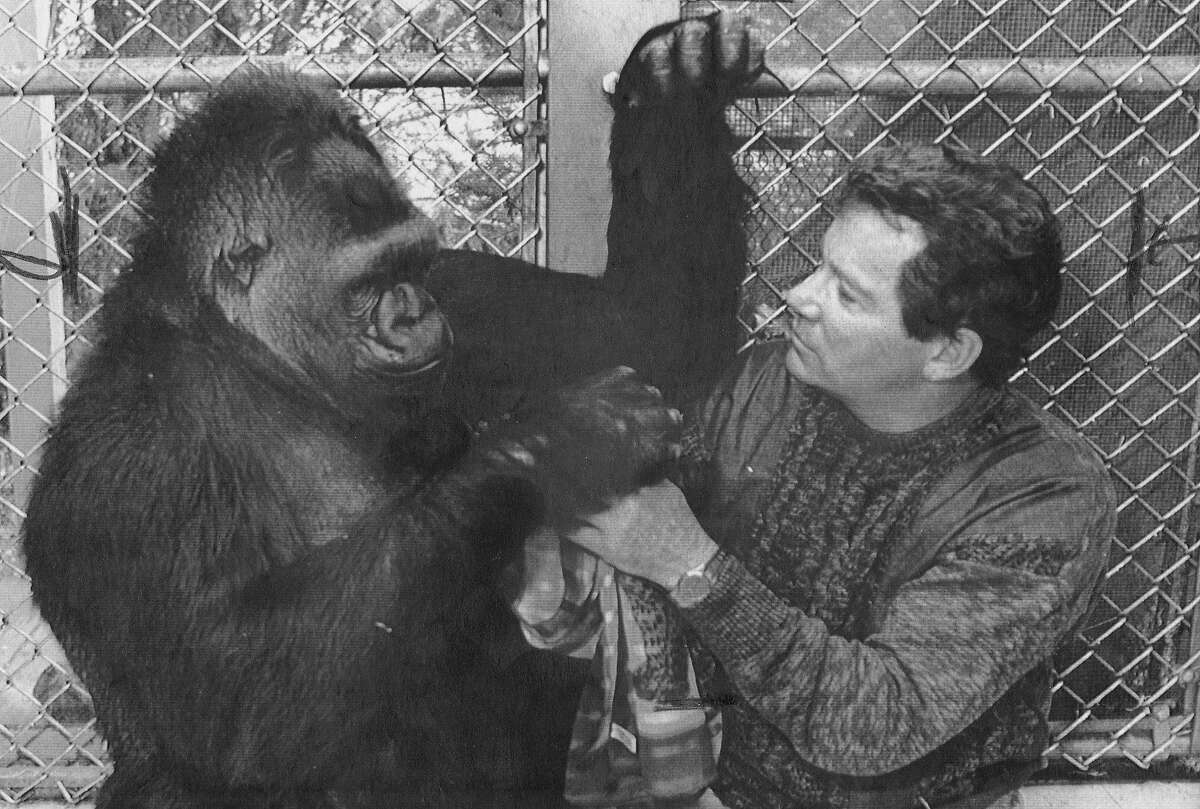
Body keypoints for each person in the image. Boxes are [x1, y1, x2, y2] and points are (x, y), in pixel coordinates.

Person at [562, 144, 1117, 809]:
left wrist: (687, 561)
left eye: (846, 292)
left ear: (946, 352)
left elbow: (878, 720)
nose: (798, 296)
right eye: (819, 265)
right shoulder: (768, 381)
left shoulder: (1042, 494)